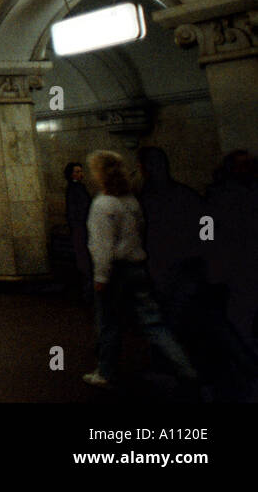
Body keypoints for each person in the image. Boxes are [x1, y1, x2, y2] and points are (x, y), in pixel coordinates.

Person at [82, 150, 197, 391]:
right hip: (137, 268)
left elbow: (102, 246)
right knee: (154, 324)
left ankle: (105, 372)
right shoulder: (130, 200)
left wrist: (101, 277)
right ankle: (187, 369)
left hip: (115, 273)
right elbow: (141, 232)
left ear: (99, 173)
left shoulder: (103, 204)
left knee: (108, 324)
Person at [64, 161, 92, 300]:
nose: (80, 174)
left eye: (81, 171)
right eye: (77, 171)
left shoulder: (78, 188)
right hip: (80, 228)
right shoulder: (74, 189)